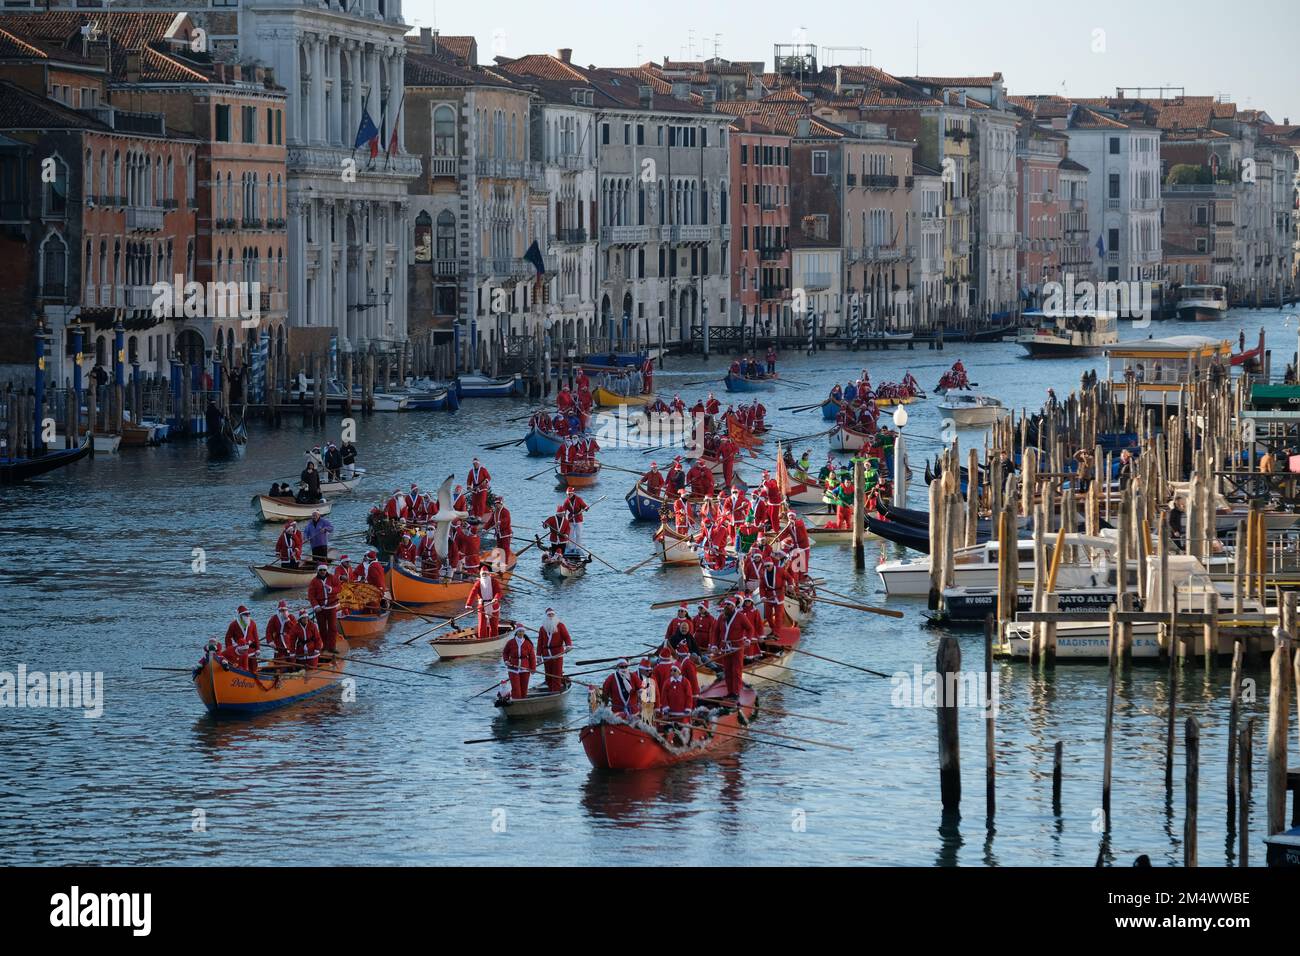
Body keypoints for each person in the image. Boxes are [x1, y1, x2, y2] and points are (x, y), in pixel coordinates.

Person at [536, 608, 572, 692]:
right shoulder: (542, 628)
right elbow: (539, 642)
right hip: (546, 655)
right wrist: (538, 656)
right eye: (549, 615)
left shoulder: (560, 626)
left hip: (557, 654)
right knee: (548, 674)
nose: (551, 616)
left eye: (552, 614)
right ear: (546, 616)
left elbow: (566, 637)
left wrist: (568, 645)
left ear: (555, 615)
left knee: (556, 674)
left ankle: (555, 691)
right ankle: (550, 690)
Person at [307, 563, 340, 652]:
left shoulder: (332, 578)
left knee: (332, 628)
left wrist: (331, 589)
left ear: (326, 570)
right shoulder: (314, 581)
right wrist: (316, 606)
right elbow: (311, 596)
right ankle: (325, 645)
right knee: (322, 628)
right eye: (321, 570)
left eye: (324, 570)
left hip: (331, 606)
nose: (322, 572)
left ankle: (332, 647)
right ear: (318, 571)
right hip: (320, 609)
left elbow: (339, 588)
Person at [467, 567, 502, 640]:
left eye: (485, 574)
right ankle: (481, 640)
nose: (484, 575)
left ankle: (494, 638)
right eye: (483, 574)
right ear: (480, 575)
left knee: (494, 625)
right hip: (482, 606)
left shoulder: (494, 581)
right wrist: (468, 604)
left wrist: (496, 598)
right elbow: (473, 592)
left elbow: (499, 592)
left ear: (489, 574)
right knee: (482, 625)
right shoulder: (478, 583)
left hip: (493, 605)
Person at [502, 626, 536, 700]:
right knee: (516, 689)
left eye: (522, 631)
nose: (521, 633)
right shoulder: (510, 642)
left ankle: (523, 703)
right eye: (519, 631)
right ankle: (516, 702)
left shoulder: (528, 643)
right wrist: (506, 661)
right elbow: (505, 653)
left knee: (524, 689)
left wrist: (533, 668)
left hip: (525, 668)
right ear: (516, 632)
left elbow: (532, 657)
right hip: (513, 668)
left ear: (524, 632)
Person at [223, 605, 259, 670]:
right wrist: (230, 649)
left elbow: (256, 637)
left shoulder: (253, 623)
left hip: (251, 651)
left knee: (253, 669)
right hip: (240, 651)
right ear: (241, 615)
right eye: (246, 614)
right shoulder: (233, 624)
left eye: (248, 614)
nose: (248, 616)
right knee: (241, 668)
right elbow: (228, 637)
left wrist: (258, 649)